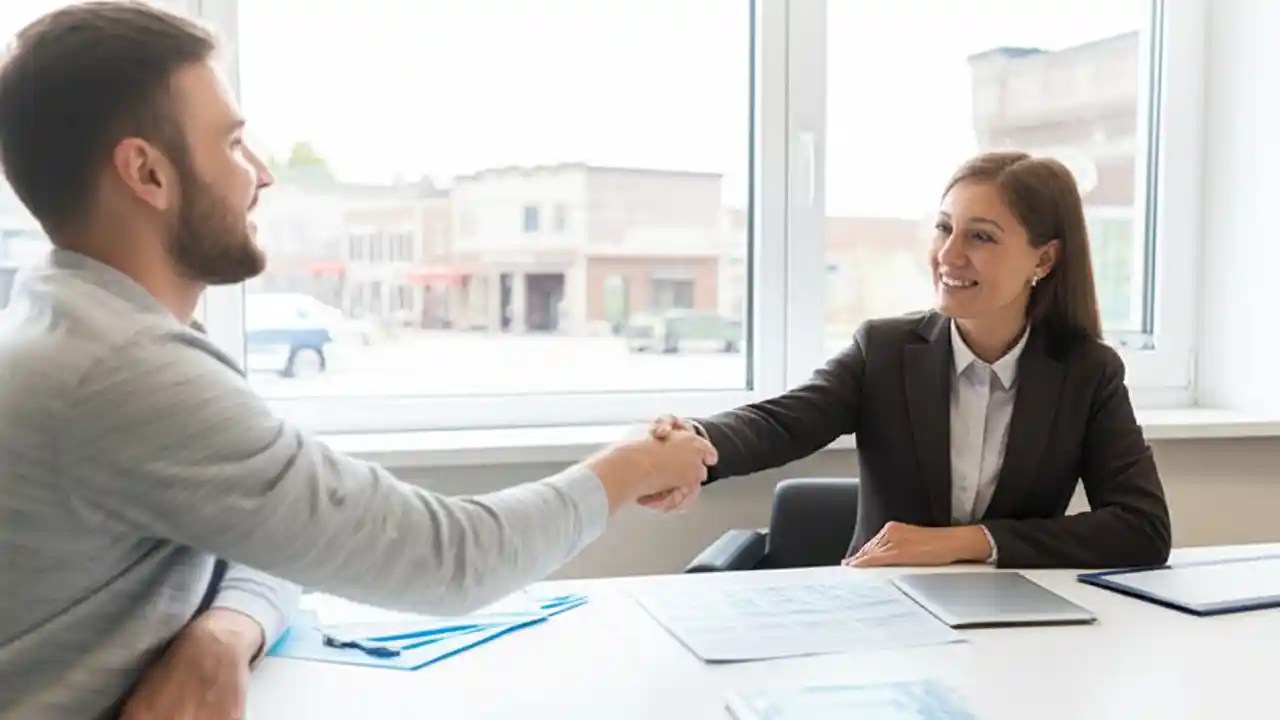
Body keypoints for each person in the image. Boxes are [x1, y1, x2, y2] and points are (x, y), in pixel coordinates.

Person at [0, 4, 715, 719]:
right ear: (147, 172)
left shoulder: (71, 321)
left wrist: (224, 632)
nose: (262, 175)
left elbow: (269, 543)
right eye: (234, 144)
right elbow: (454, 559)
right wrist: (634, 466)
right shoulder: (126, 374)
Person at [647, 150, 1172, 570]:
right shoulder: (886, 350)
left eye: (981, 236)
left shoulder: (1087, 372)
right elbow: (781, 422)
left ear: (1044, 258)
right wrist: (693, 442)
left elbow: (1142, 528)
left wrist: (964, 543)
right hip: (883, 611)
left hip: (1014, 622)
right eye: (944, 228)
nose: (948, 255)